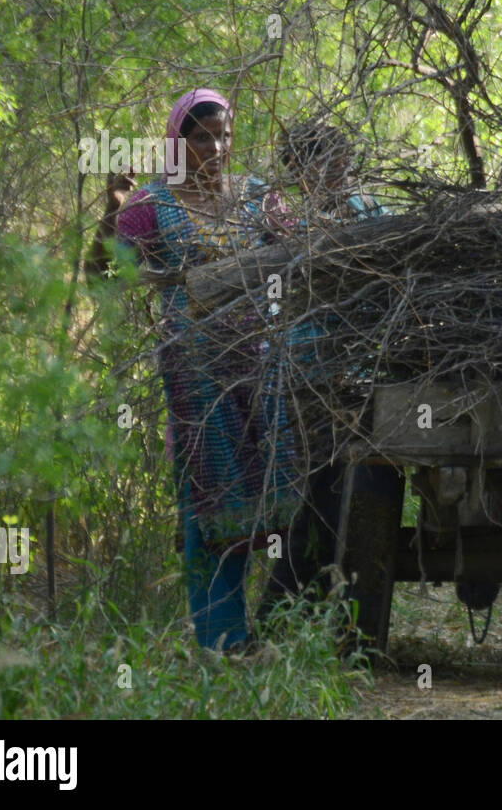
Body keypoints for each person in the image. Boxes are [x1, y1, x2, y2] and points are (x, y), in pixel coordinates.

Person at [106, 88, 300, 653]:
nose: (217, 147)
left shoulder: (258, 199)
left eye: (225, 134)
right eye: (202, 137)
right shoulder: (152, 206)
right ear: (178, 143)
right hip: (196, 374)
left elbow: (303, 254)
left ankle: (272, 625)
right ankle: (222, 638)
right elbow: (110, 271)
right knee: (209, 499)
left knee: (270, 495)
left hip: (261, 366)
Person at [255, 120, 404, 641]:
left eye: (341, 160)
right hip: (312, 379)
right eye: (321, 163)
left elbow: (397, 288)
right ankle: (286, 619)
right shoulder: (296, 229)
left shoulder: (372, 213)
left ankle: (350, 626)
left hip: (370, 380)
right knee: (323, 492)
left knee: (368, 491)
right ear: (299, 173)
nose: (336, 172)